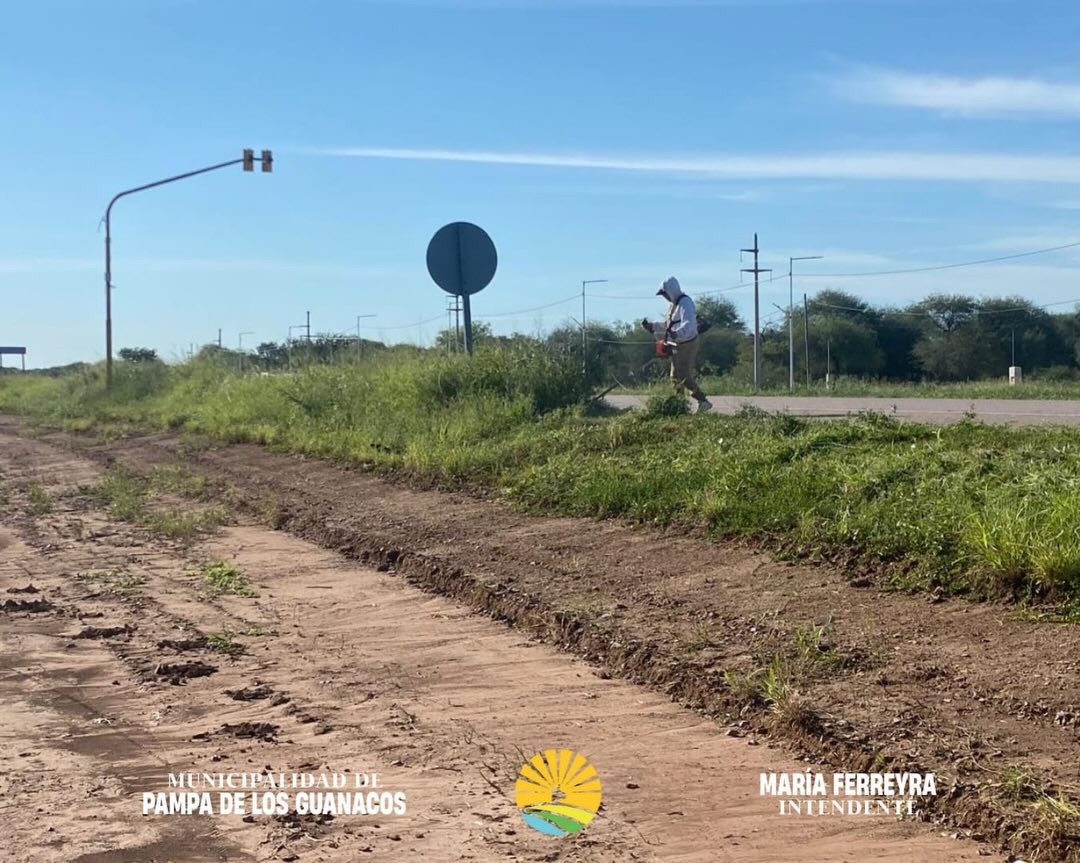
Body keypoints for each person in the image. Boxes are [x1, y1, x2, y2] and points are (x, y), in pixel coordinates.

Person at [641, 277, 712, 412]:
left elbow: (689, 325)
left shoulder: (686, 303)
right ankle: (680, 405)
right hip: (677, 343)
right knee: (675, 376)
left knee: (682, 374)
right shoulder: (673, 305)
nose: (665, 297)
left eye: (665, 294)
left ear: (671, 291)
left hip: (687, 343)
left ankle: (702, 400)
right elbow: (668, 325)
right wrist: (653, 326)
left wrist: (676, 334)